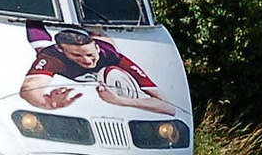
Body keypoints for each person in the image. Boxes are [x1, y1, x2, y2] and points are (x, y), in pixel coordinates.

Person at [20, 28, 176, 114]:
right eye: (77, 55)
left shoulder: (112, 56)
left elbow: (168, 107)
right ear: (61, 51)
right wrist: (46, 103)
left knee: (101, 35)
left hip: (103, 44)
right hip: (56, 56)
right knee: (39, 42)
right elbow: (29, 88)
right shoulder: (52, 56)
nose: (87, 61)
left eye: (90, 55)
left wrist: (121, 101)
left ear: (96, 48)